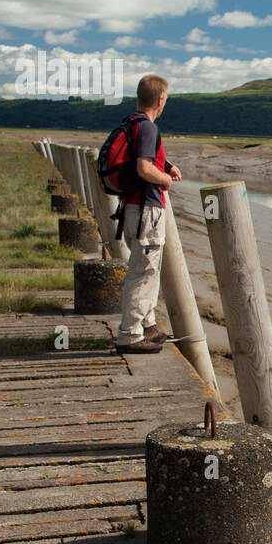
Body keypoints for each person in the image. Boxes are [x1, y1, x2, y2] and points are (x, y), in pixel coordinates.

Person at [114, 74, 182, 354]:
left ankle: (148, 324)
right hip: (146, 209)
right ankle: (130, 334)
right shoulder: (149, 128)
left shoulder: (133, 124)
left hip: (132, 207)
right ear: (161, 99)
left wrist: (166, 164)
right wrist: (164, 180)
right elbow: (143, 168)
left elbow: (143, 158)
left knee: (146, 268)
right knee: (144, 271)